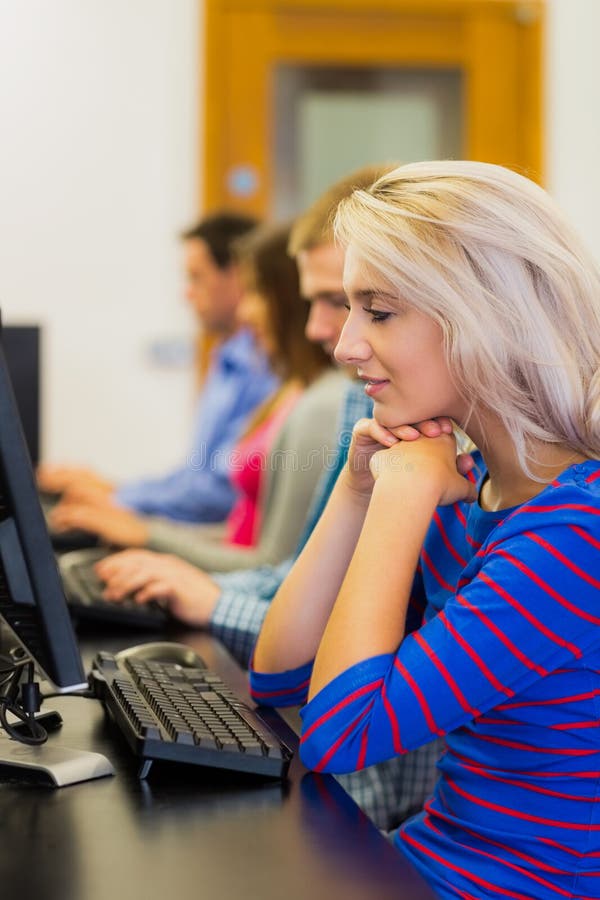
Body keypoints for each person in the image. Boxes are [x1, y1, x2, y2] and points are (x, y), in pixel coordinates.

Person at [250, 160, 600, 899]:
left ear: (487, 319)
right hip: (429, 858)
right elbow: (278, 677)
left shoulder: (574, 534)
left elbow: (341, 738)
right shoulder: (477, 491)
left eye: (378, 311)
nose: (344, 346)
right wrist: (355, 491)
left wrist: (401, 501)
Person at [95, 165, 445, 834]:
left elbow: (353, 711)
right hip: (367, 782)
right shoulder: (367, 416)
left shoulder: (360, 417)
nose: (332, 334)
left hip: (384, 801)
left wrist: (175, 563)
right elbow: (289, 654)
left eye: (367, 309)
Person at [49, 222, 341, 567]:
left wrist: (144, 532)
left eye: (256, 293)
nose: (246, 312)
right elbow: (234, 522)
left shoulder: (317, 401)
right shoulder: (290, 389)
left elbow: (266, 556)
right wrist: (140, 528)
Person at [38, 212, 278, 524]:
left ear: (237, 275)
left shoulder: (262, 365)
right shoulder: (226, 356)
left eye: (196, 277)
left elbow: (221, 492)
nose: (187, 293)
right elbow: (195, 475)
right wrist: (114, 490)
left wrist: (117, 499)